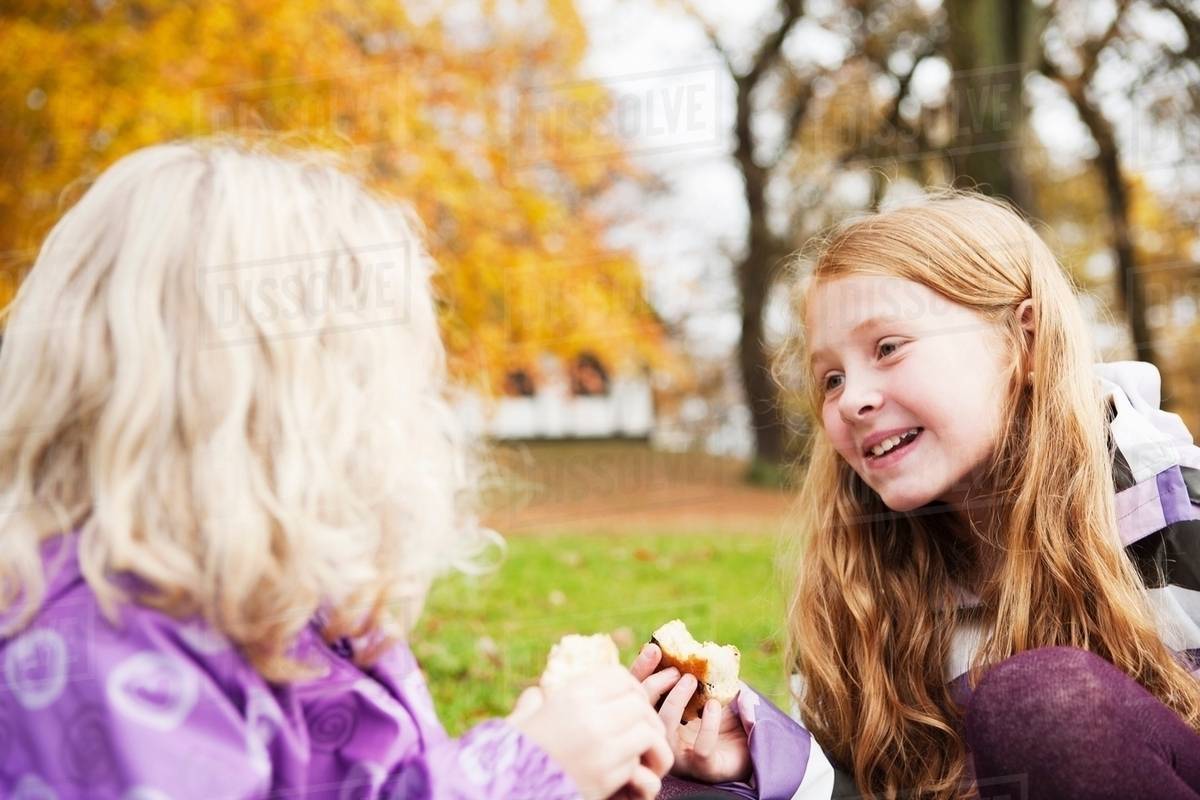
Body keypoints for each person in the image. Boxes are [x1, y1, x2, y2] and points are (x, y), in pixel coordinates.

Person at [0, 141, 672, 799]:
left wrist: (558, 763)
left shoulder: (301, 602)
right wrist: (520, 776)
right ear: (268, 406)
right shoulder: (94, 660)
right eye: (378, 377)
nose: (412, 412)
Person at [637, 192, 1200, 799]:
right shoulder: (856, 586)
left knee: (1046, 703)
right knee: (678, 786)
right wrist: (756, 763)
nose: (852, 400)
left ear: (1025, 341)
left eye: (887, 348)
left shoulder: (1175, 509)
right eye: (831, 379)